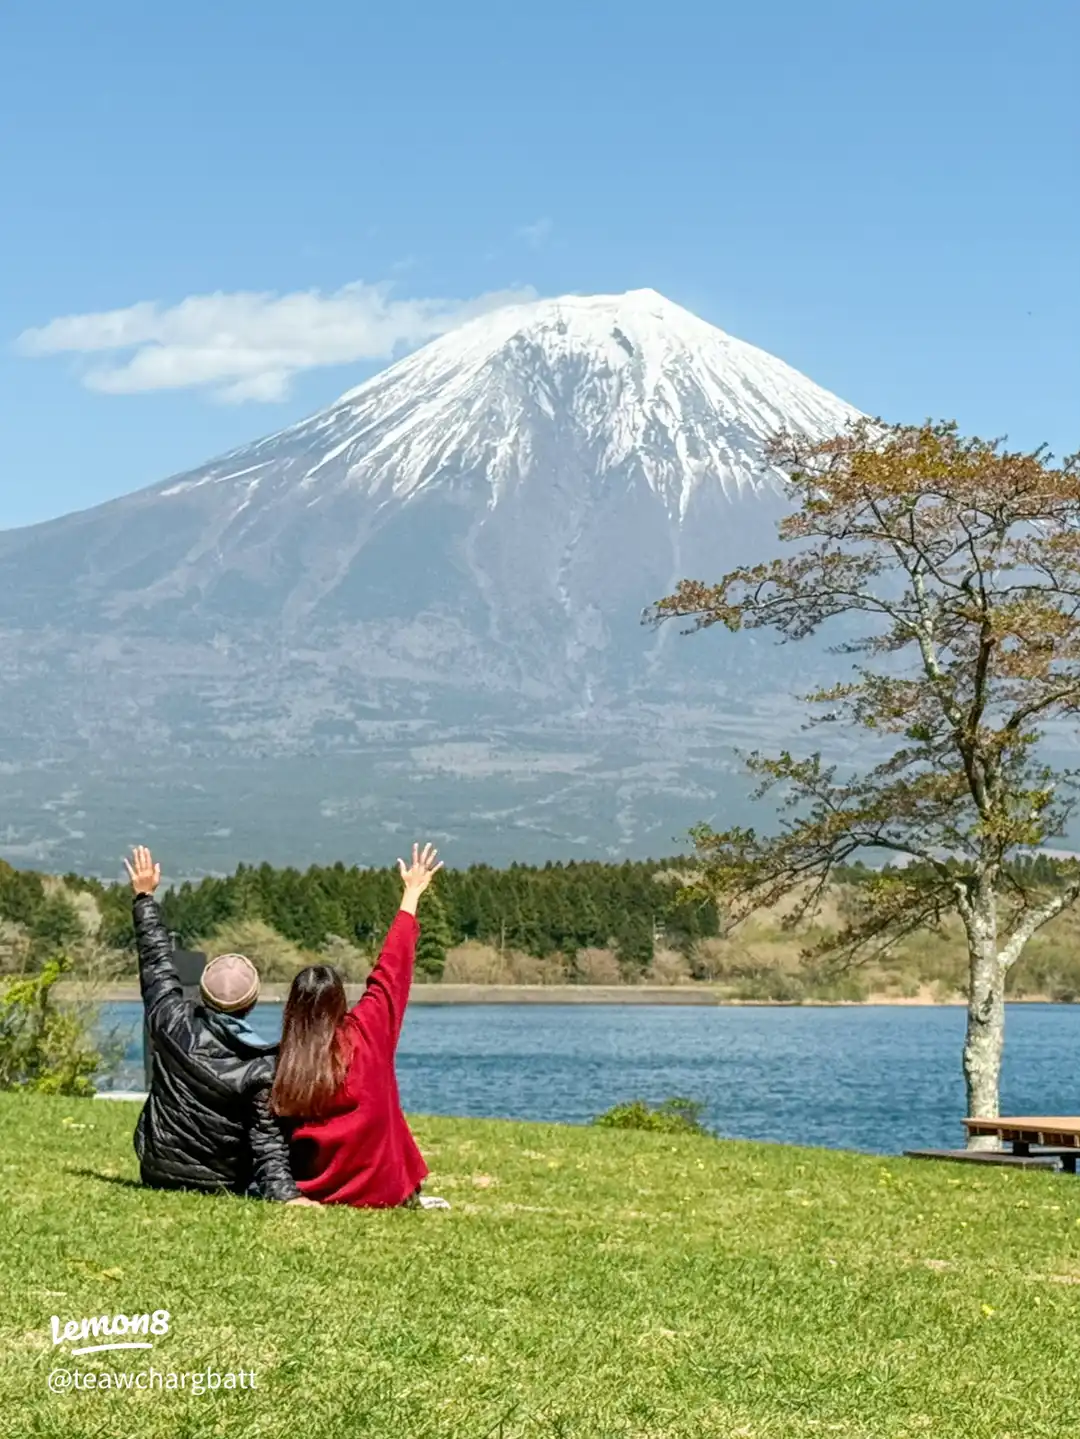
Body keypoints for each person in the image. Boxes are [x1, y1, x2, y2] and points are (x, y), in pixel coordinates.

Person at [124, 844, 315, 1205]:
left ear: (204, 994)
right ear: (252, 1002)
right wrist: (288, 1197)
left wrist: (144, 898)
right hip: (222, 1181)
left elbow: (156, 963)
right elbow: (267, 1142)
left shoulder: (171, 1021)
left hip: (156, 1167)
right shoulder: (260, 1067)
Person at [269, 841, 448, 1208]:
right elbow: (391, 969)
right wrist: (411, 894)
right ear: (339, 1002)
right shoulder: (367, 1032)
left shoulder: (289, 1062)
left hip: (316, 1190)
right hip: (386, 1193)